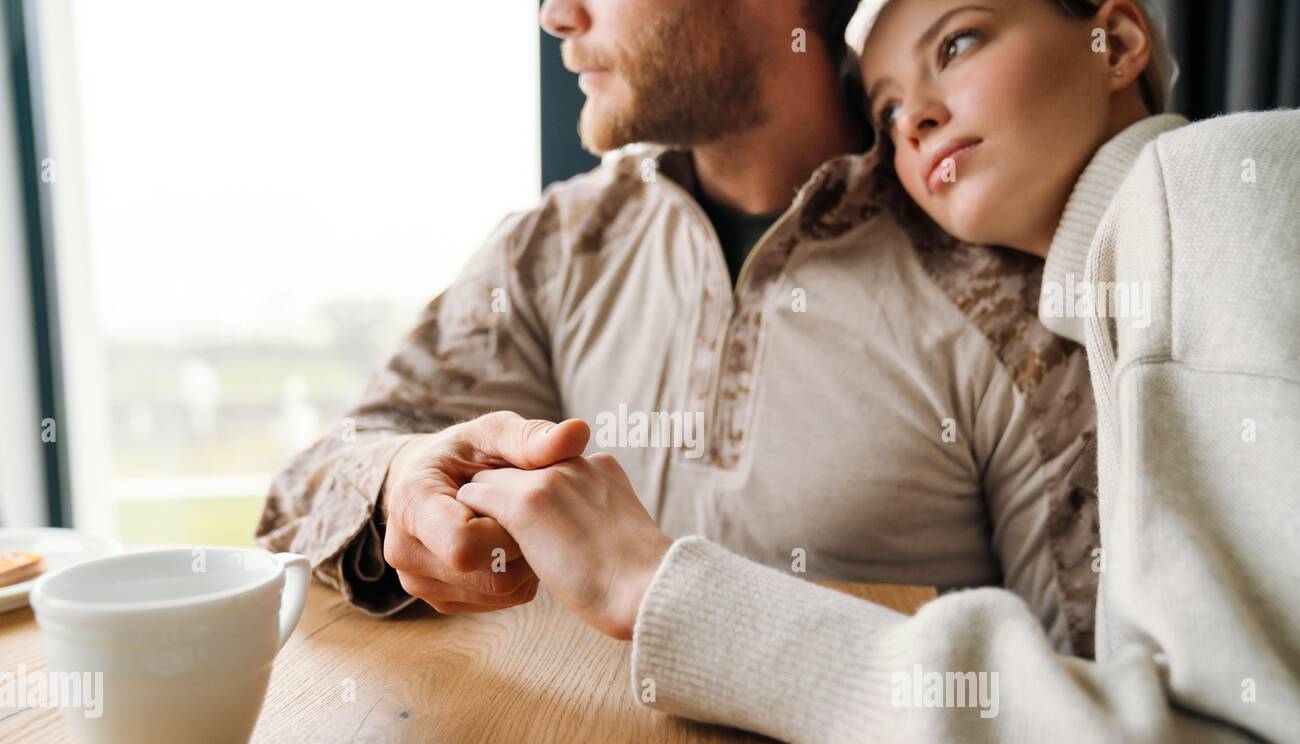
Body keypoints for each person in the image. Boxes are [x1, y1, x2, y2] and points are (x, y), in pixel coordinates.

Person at [455, 0, 1300, 744]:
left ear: (1116, 43)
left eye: (959, 42)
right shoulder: (1107, 293)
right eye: (887, 110)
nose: (917, 119)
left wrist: (667, 592)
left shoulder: (1209, 187)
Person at [257, 0, 1102, 655]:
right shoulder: (558, 248)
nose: (556, 14)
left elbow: (1081, 691)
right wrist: (401, 479)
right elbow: (307, 488)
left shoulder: (1008, 279)